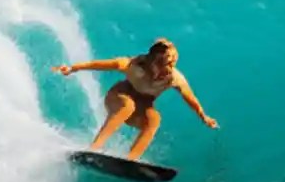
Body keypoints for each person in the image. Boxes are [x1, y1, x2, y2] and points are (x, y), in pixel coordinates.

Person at [52, 38, 218, 160]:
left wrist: (204, 117)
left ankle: (131, 160)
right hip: (118, 97)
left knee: (154, 120)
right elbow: (99, 64)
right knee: (127, 106)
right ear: (153, 61)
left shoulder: (174, 78)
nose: (169, 68)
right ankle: (94, 148)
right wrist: (72, 68)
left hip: (142, 106)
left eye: (173, 63)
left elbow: (190, 98)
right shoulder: (133, 65)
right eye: (166, 63)